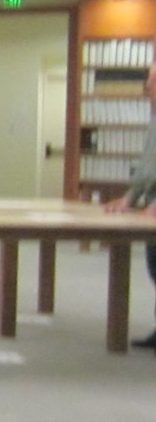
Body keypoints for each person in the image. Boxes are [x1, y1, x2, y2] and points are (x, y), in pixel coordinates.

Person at [107, 67, 156, 349]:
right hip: (149, 198)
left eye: (153, 81)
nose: (147, 86)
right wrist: (129, 198)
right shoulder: (153, 118)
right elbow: (148, 163)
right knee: (155, 268)